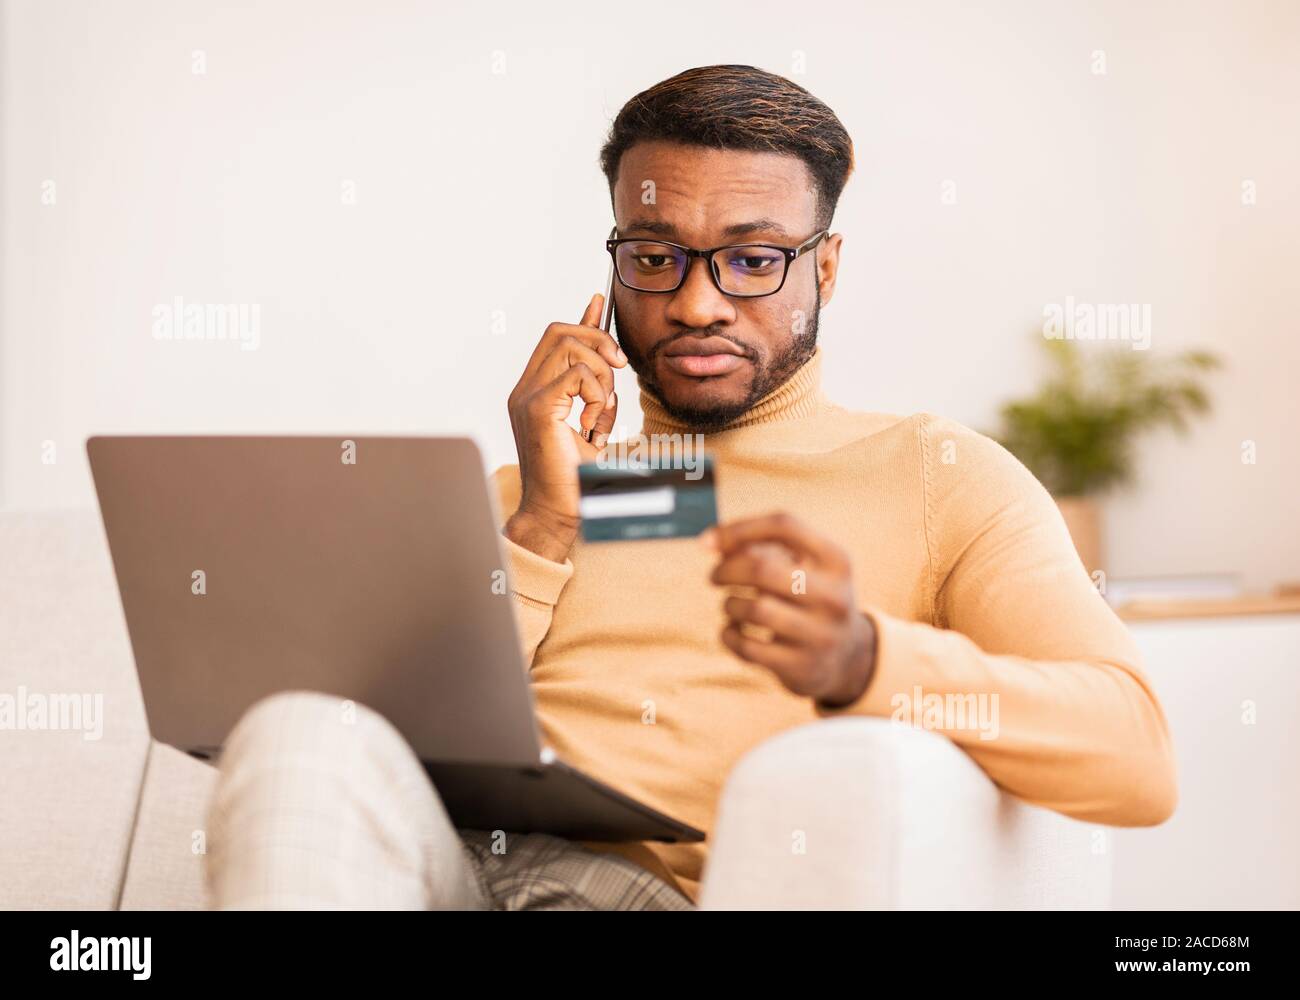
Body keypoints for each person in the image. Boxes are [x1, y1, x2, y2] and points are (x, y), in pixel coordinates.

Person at [205, 64, 1177, 911]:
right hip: (446, 871)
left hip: (631, 893)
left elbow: (1134, 753)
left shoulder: (933, 473)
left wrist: (865, 661)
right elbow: (393, 762)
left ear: (826, 269)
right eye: (654, 255)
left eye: (752, 260)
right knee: (301, 733)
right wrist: (542, 522)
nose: (695, 302)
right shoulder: (534, 482)